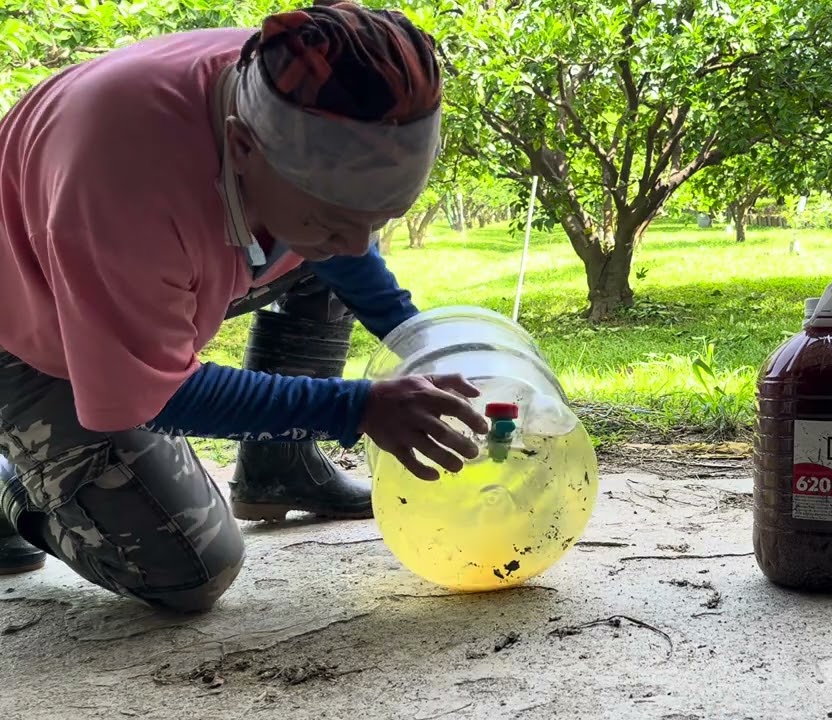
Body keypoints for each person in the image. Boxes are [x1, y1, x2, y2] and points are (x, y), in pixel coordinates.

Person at [0, 2, 490, 612]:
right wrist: (358, 409)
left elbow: (344, 249)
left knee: (323, 256)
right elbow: (161, 396)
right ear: (240, 145)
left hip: (143, 268)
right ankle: (19, 483)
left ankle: (278, 468)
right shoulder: (121, 180)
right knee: (190, 571)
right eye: (333, 218)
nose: (360, 245)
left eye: (381, 220)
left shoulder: (311, 95)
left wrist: (421, 340)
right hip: (27, 322)